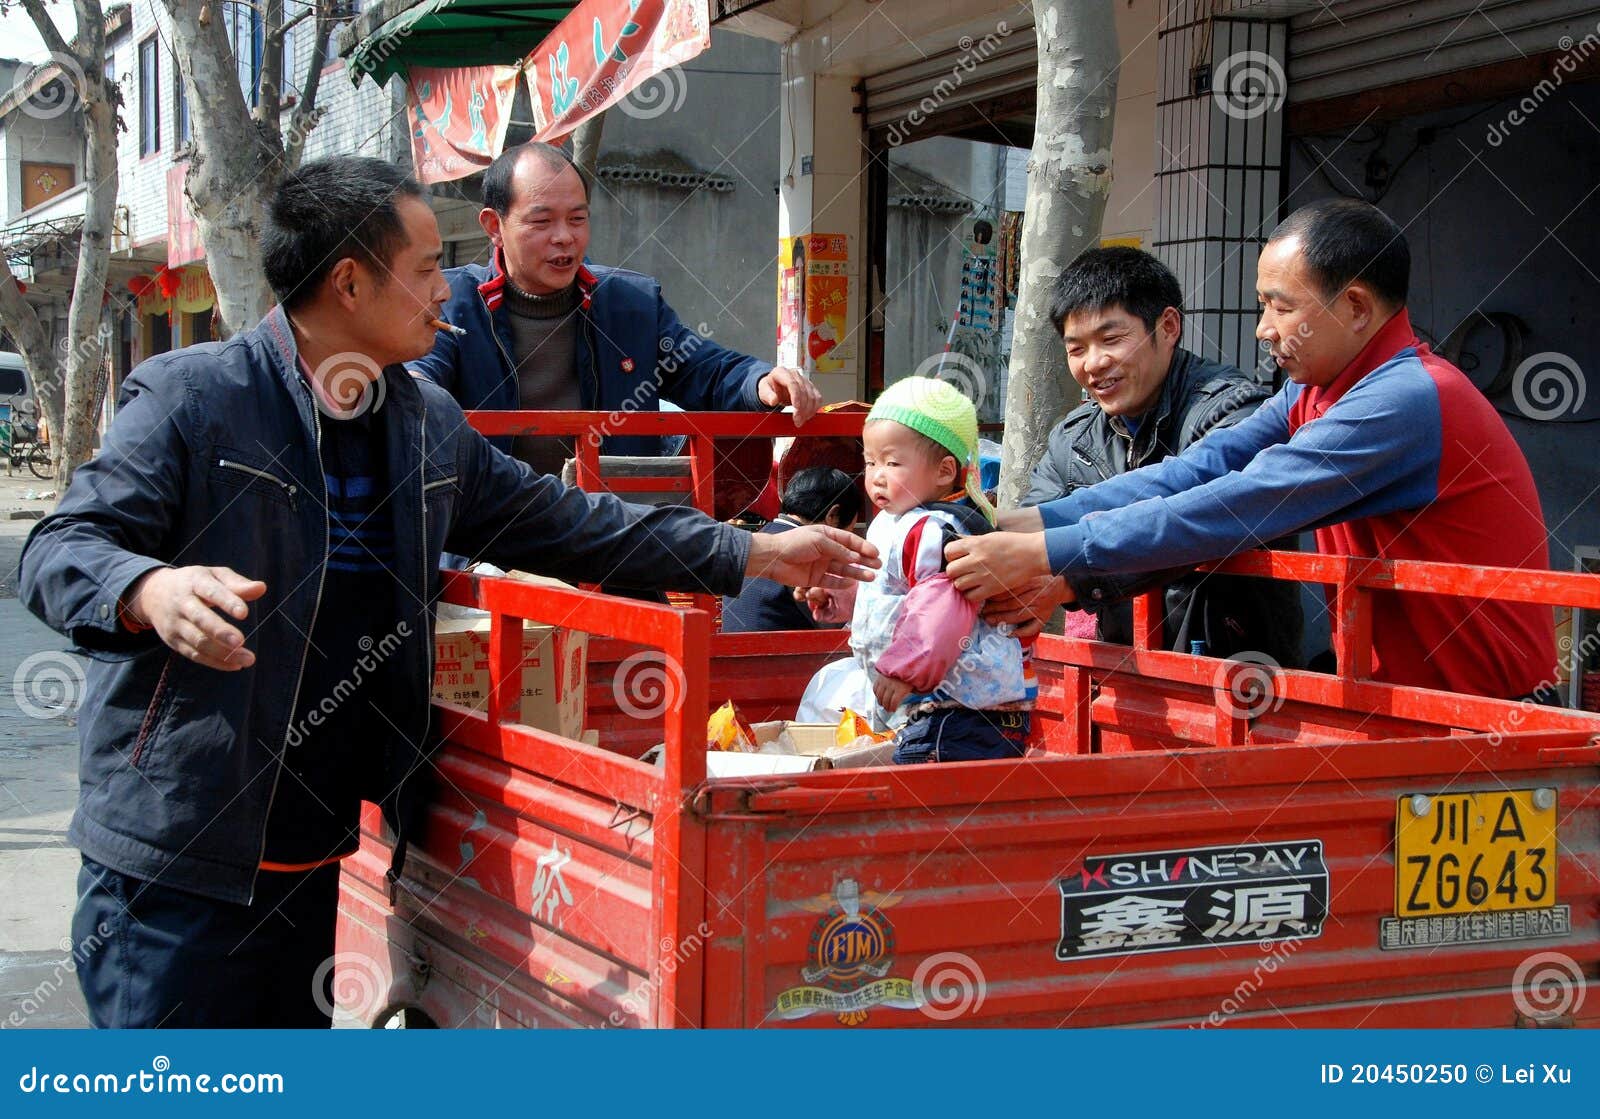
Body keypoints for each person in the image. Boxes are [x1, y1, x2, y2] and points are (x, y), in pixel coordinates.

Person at [17, 156, 878, 1029]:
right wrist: (149, 587)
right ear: (349, 282)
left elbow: (577, 523)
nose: (447, 290)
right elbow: (60, 549)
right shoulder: (194, 399)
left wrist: (754, 554)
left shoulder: (424, 425)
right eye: (427, 267)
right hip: (178, 861)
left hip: (309, 858)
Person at [949, 198, 1554, 700]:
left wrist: (1046, 554)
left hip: (1485, 712)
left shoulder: (1404, 401)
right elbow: (1197, 471)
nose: (1263, 328)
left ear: (1356, 308)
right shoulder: (1311, 392)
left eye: (1279, 306)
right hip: (1401, 698)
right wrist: (1022, 521)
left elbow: (1237, 503)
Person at [409, 141, 821, 477]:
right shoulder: (454, 301)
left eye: (577, 218)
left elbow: (706, 372)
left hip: (613, 534)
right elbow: (418, 382)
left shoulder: (629, 304)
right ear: (494, 226)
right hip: (490, 540)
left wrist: (762, 381)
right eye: (541, 222)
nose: (564, 237)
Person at [1003, 246, 1302, 666]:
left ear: (1167, 326)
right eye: (1076, 349)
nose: (1094, 363)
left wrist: (1068, 576)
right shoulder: (1073, 438)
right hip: (1125, 679)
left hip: (1235, 674)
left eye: (1111, 339)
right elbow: (1033, 526)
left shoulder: (1232, 412)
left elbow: (1193, 519)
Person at [812, 378, 1035, 764]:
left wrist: (903, 670)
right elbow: (894, 594)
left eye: (893, 463)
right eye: (870, 462)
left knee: (929, 809)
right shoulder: (898, 520)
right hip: (936, 707)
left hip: (959, 711)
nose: (877, 475)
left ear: (945, 471)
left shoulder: (935, 529)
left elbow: (941, 604)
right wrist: (846, 602)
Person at [721, 467, 863, 633]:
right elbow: (835, 623)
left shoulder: (761, 537)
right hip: (778, 656)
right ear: (833, 516)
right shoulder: (806, 553)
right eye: (848, 533)